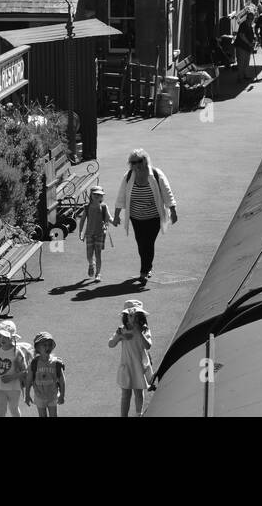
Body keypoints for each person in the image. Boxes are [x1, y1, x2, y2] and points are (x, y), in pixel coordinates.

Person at [112, 148, 177, 285]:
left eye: (139, 161)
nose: (137, 165)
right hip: (136, 217)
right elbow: (121, 196)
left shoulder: (156, 174)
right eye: (133, 162)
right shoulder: (129, 176)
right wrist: (117, 215)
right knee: (141, 244)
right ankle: (148, 266)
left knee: (148, 242)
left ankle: (144, 270)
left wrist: (173, 211)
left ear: (145, 160)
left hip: (154, 216)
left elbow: (167, 193)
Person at [109, 300, 153, 417]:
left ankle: (139, 414)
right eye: (130, 315)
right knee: (125, 394)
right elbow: (111, 344)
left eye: (136, 315)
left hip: (139, 366)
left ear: (140, 316)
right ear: (125, 317)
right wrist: (119, 336)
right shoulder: (122, 329)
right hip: (127, 366)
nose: (133, 318)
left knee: (139, 392)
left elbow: (147, 345)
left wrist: (139, 331)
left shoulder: (144, 329)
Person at [0, 320, 32, 418]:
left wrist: (12, 377)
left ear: (12, 338)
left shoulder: (17, 352)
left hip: (14, 388)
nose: (2, 339)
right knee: (0, 411)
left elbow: (25, 371)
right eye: (1, 336)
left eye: (6, 337)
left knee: (13, 409)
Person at [24, 332, 66, 417]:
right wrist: (27, 394)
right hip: (39, 396)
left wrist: (62, 395)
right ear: (38, 348)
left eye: (49, 345)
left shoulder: (56, 363)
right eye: (44, 345)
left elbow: (62, 380)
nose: (47, 347)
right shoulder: (34, 363)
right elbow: (28, 380)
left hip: (53, 395)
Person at [78, 184, 111, 284]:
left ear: (102, 196)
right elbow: (83, 220)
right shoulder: (87, 207)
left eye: (99, 195)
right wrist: (80, 232)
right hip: (89, 234)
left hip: (100, 233)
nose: (97, 196)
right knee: (89, 255)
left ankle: (98, 274)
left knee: (98, 254)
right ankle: (91, 264)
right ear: (91, 195)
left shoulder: (104, 207)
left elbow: (107, 218)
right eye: (95, 194)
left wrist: (107, 224)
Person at [233, 9, 257, 81]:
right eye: (249, 18)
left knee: (246, 62)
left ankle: (244, 75)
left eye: (251, 18)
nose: (250, 20)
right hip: (241, 46)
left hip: (247, 47)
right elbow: (242, 35)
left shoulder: (250, 25)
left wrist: (253, 42)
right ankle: (240, 77)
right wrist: (249, 43)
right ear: (247, 18)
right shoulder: (244, 25)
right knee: (241, 63)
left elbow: (250, 36)